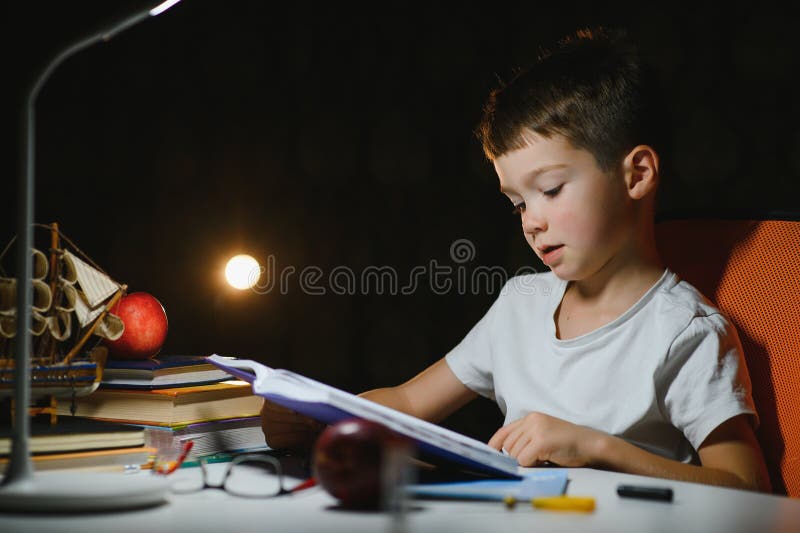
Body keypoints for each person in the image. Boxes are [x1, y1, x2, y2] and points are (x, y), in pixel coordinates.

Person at [261, 27, 771, 492]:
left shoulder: (684, 331)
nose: (531, 221)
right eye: (518, 203)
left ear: (636, 175)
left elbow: (748, 490)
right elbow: (411, 403)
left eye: (550, 190)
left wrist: (598, 449)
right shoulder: (521, 304)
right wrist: (319, 420)